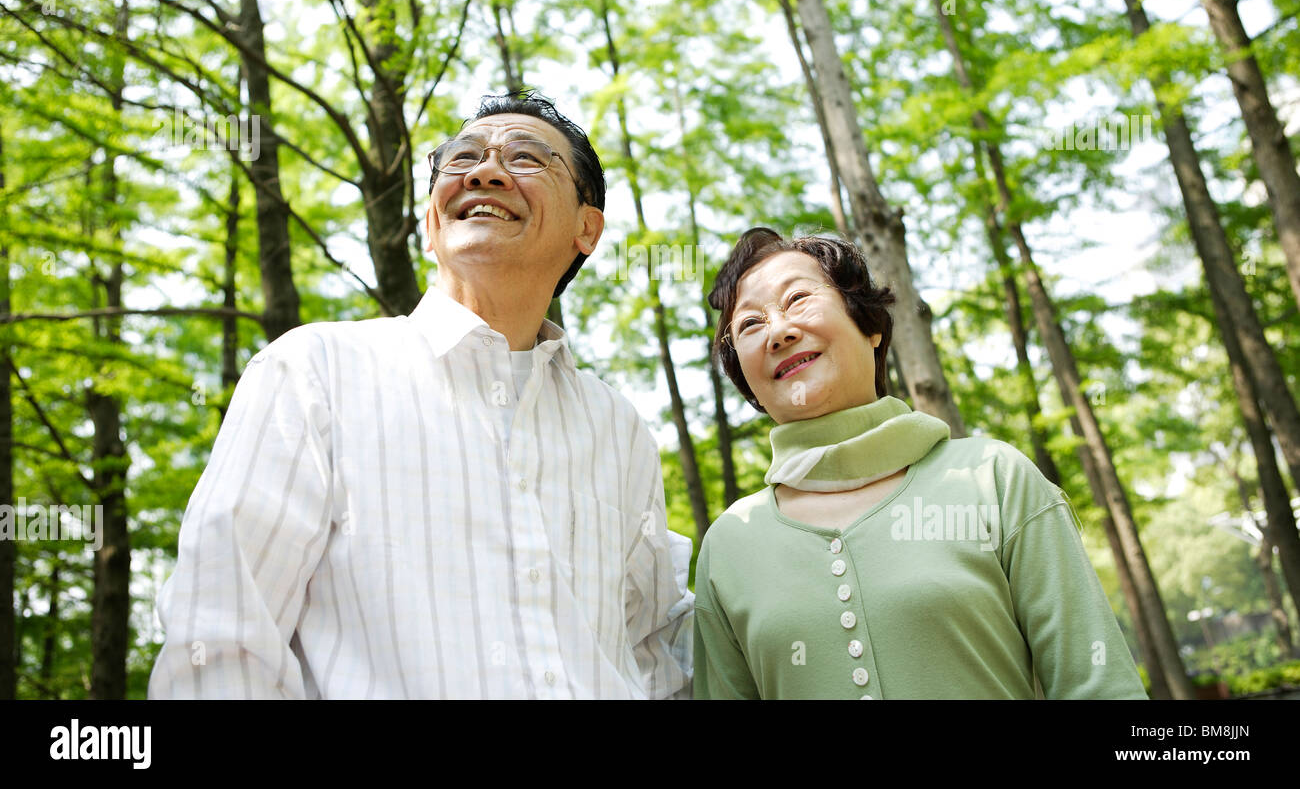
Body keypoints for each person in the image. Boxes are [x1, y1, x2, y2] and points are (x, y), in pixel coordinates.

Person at [148, 91, 693, 699]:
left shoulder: (618, 427)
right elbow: (223, 636)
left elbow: (655, 650)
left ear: (586, 228)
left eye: (526, 159)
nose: (484, 173)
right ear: (432, 224)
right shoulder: (314, 372)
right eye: (461, 160)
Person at [692, 227, 1147, 699]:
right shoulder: (730, 544)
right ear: (743, 377)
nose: (779, 332)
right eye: (749, 324)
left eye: (799, 298)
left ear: (869, 324)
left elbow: (1098, 688)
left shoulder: (991, 478)